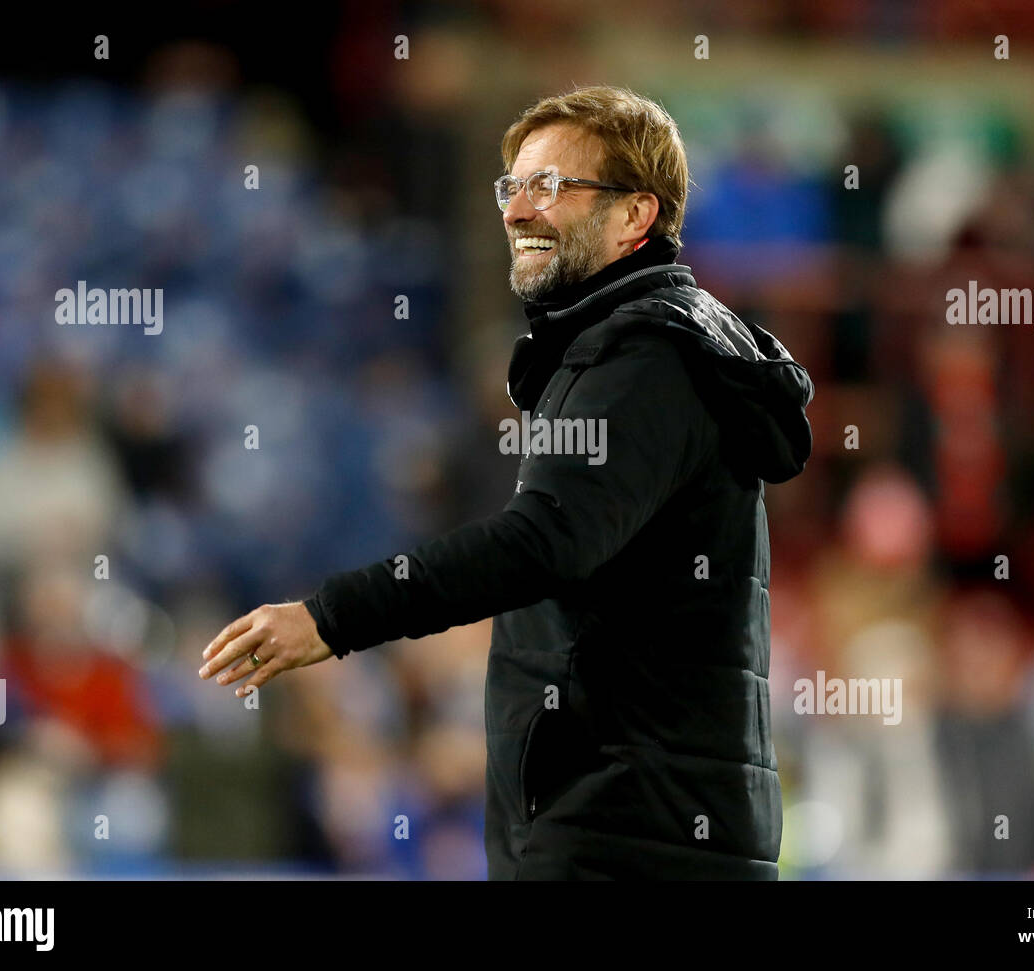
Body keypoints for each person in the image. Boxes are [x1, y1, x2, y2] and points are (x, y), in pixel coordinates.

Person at [199, 85, 814, 879]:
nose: (519, 211)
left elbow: (544, 540)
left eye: (553, 186)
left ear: (636, 216)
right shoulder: (637, 347)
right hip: (635, 820)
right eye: (512, 186)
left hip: (631, 834)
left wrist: (332, 617)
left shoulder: (645, 358)